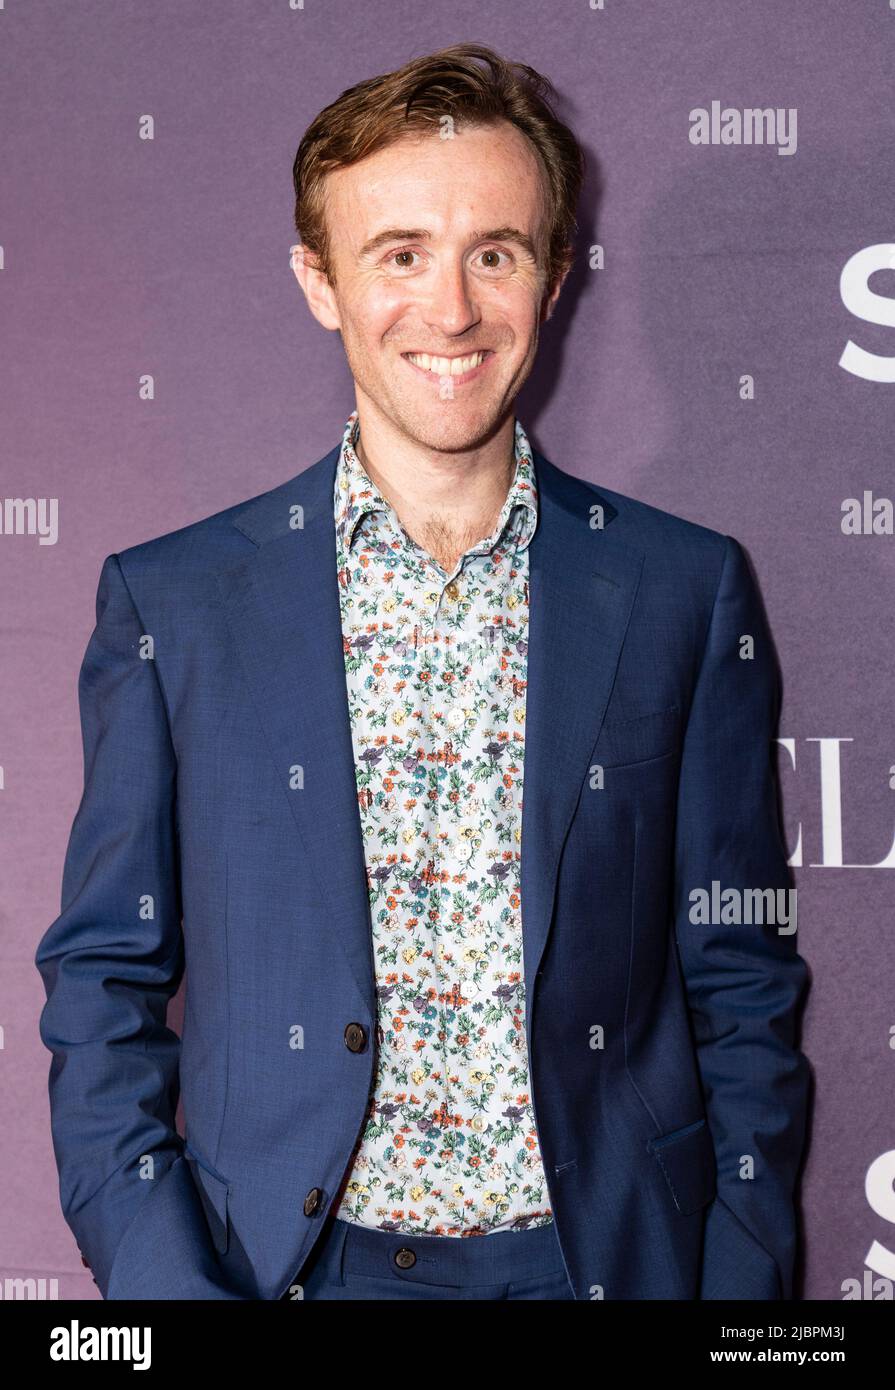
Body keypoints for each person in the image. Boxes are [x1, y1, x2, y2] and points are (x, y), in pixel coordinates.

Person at [35, 42, 811, 1301]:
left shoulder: (682, 588)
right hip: (290, 1271)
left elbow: (739, 973)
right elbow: (105, 984)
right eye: (398, 254)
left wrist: (735, 1278)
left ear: (553, 280)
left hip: (608, 1266)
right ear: (319, 281)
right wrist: (166, 1289)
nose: (449, 312)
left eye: (493, 253)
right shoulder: (174, 602)